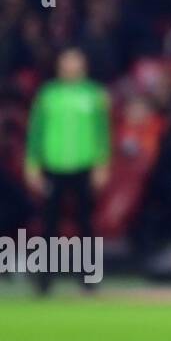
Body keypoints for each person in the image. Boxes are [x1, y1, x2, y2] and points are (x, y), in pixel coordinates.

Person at [23, 47, 111, 294]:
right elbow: (35, 132)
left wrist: (102, 162)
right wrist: (32, 163)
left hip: (84, 165)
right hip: (54, 166)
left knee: (85, 224)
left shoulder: (94, 94)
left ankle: (89, 278)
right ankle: (44, 279)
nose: (71, 66)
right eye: (67, 62)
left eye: (76, 62)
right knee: (49, 224)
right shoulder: (47, 94)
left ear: (83, 65)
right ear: (60, 65)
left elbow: (102, 132)